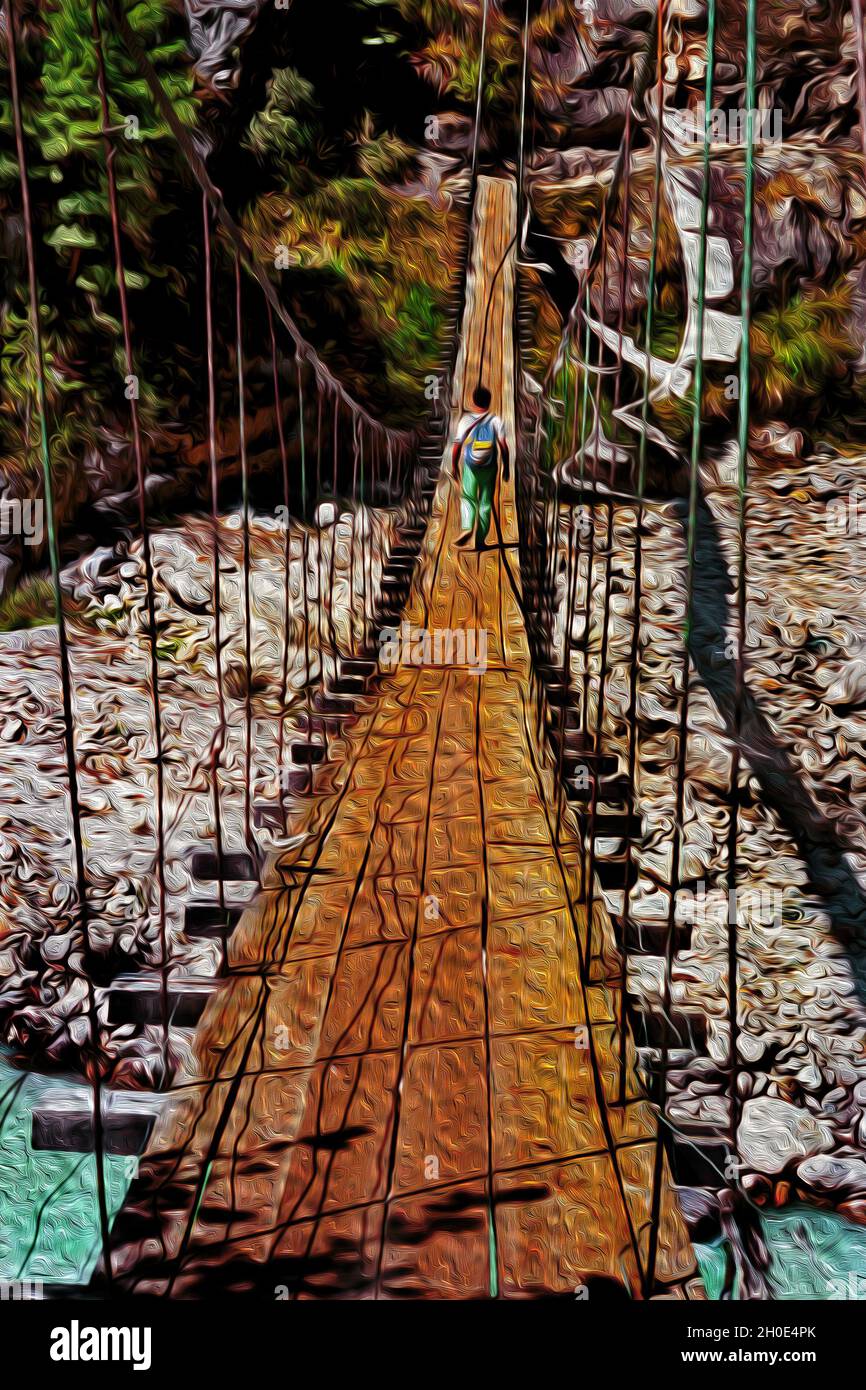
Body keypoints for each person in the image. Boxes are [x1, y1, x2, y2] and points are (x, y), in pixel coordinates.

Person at [450, 385, 510, 549]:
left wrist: (454, 466)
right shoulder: (496, 420)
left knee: (468, 498)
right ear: (489, 402)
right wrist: (507, 467)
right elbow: (504, 446)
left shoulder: (466, 420)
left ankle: (468, 527)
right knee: (485, 503)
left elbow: (457, 446)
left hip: (471, 466)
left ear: (473, 400)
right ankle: (480, 540)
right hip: (489, 466)